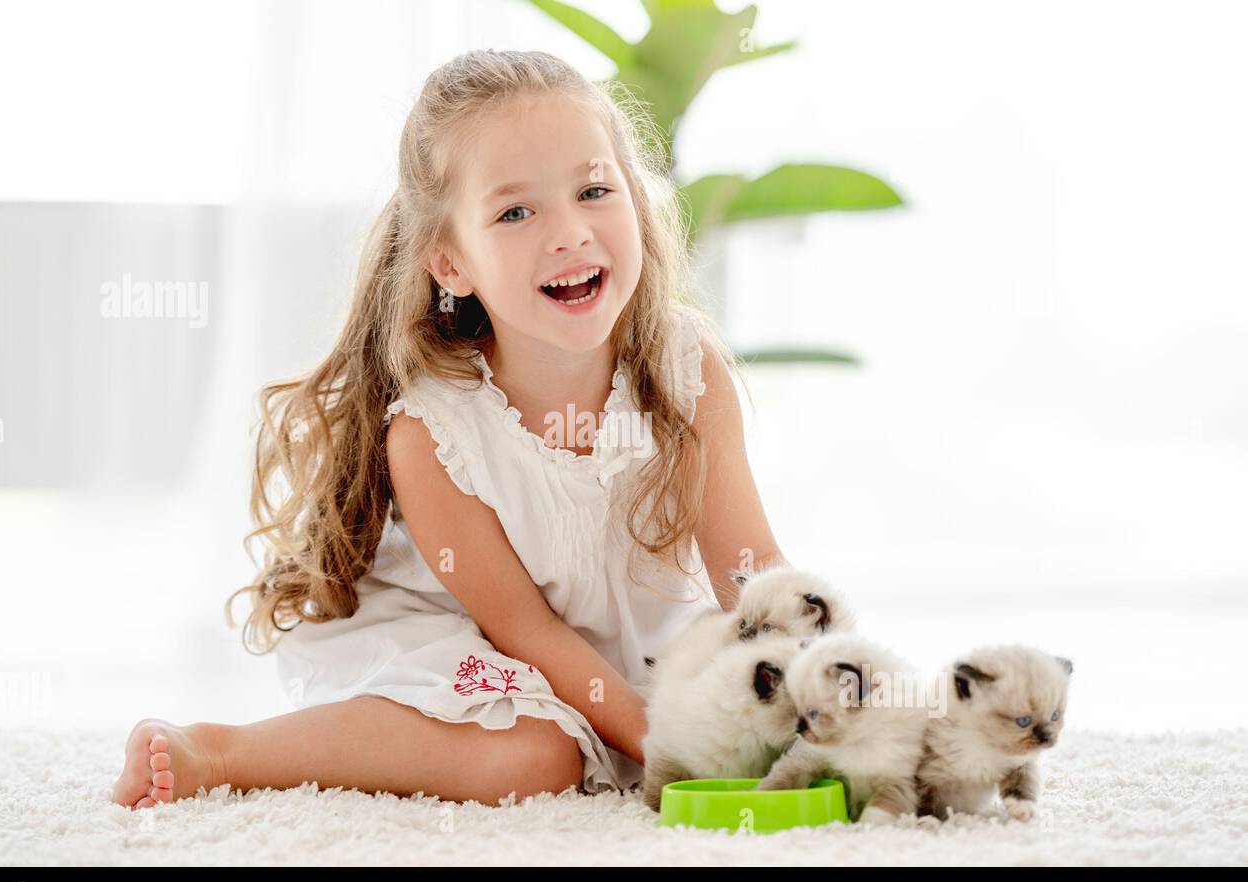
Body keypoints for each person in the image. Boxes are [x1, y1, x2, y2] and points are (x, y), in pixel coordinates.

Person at [112, 49, 786, 810]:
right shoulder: (435, 434)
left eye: (594, 190)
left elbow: (752, 575)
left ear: (635, 199)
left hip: (616, 650)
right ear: (450, 262)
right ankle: (224, 751)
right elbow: (525, 633)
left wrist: (810, 706)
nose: (569, 233)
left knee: (690, 712)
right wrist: (663, 744)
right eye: (515, 212)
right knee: (538, 758)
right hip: (465, 639)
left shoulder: (685, 369)